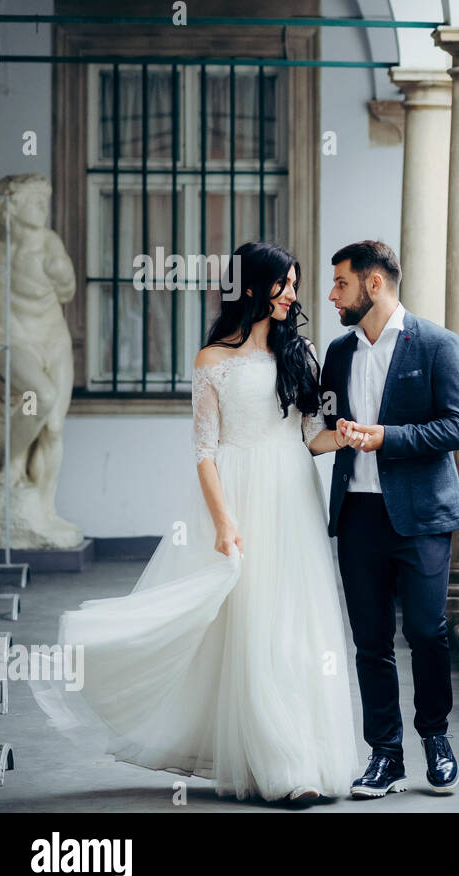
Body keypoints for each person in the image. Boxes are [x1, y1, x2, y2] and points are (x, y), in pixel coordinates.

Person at [30, 241, 358, 805]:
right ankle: (276, 766)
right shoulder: (212, 359)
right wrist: (223, 521)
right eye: (284, 284)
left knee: (297, 628)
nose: (293, 296)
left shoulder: (300, 351)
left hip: (293, 497)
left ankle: (305, 759)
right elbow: (204, 451)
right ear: (253, 287)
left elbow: (310, 436)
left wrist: (343, 436)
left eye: (297, 285)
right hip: (241, 496)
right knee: (251, 626)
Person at [321, 240, 459, 798]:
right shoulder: (338, 353)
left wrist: (387, 438)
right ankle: (385, 755)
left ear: (374, 284)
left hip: (422, 516)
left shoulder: (436, 343)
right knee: (370, 639)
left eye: (341, 283)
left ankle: (435, 737)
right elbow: (323, 418)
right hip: (357, 513)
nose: (333, 294)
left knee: (427, 632)